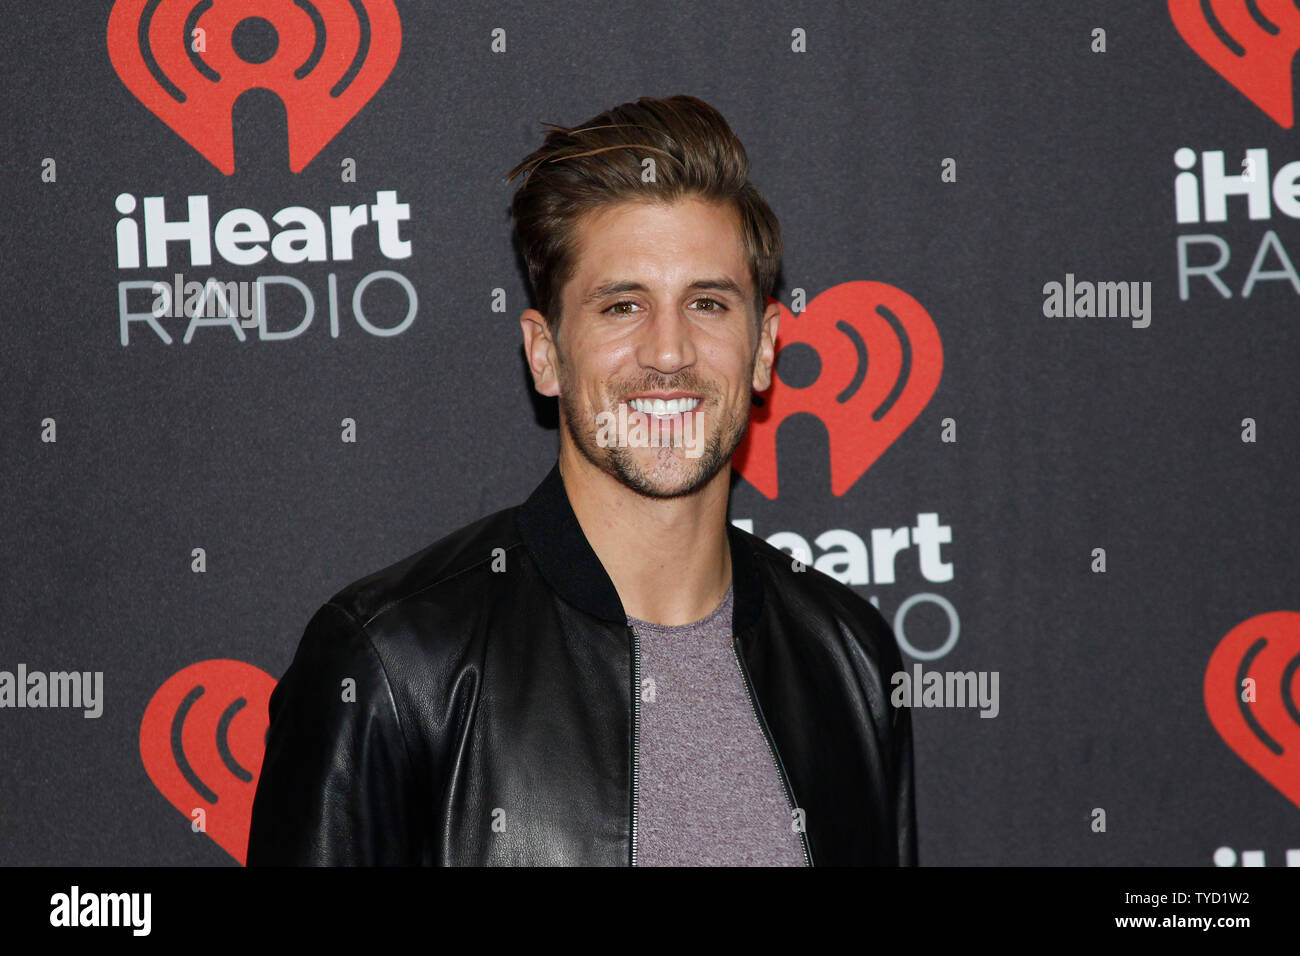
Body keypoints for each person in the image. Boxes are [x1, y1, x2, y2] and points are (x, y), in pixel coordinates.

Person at [247, 93, 917, 866]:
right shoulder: (394, 665)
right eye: (622, 306)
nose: (669, 353)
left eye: (707, 303)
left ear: (764, 345)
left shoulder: (852, 659)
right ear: (544, 352)